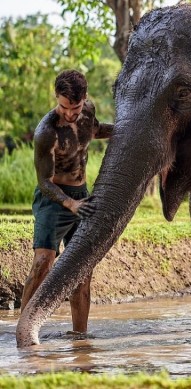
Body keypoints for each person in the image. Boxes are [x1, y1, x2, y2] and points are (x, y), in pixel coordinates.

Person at [20, 69, 114, 336]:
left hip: (82, 196)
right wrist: (70, 204)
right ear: (56, 98)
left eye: (75, 107)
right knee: (43, 262)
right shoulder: (46, 132)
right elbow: (44, 182)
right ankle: (24, 331)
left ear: (84, 99)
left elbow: (96, 131)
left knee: (82, 269)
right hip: (53, 199)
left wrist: (126, 131)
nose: (69, 114)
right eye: (64, 107)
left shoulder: (89, 112)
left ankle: (80, 337)